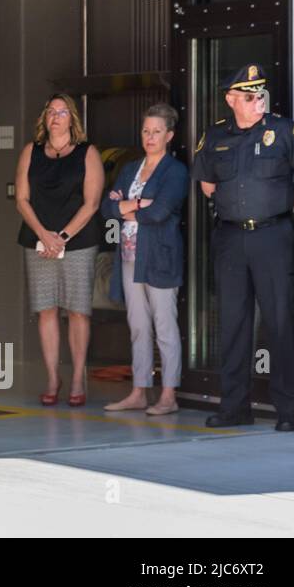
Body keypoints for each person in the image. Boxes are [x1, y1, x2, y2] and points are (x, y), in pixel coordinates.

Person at [191, 64, 294, 431]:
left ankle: (288, 410)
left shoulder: (283, 130)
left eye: (260, 94)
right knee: (233, 323)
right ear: (230, 100)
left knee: (280, 321)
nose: (257, 100)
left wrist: (280, 207)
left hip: (273, 236)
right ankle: (234, 407)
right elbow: (207, 185)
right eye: (248, 96)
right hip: (230, 238)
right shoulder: (214, 137)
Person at [99, 104, 188, 416]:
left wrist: (126, 207)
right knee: (137, 326)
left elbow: (161, 211)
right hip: (129, 257)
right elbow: (107, 208)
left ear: (170, 135)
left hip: (160, 256)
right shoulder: (129, 168)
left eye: (157, 132)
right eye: (146, 131)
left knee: (164, 325)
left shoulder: (175, 171)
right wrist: (136, 203)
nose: (150, 137)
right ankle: (138, 392)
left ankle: (168, 395)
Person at [15, 93, 103, 407]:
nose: (56, 116)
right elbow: (22, 199)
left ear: (72, 118)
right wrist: (44, 234)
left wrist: (61, 237)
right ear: (45, 117)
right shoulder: (31, 151)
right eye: (51, 111)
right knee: (46, 310)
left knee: (78, 310)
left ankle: (78, 376)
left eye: (62, 111)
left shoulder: (87, 152)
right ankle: (53, 377)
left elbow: (91, 203)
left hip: (77, 242)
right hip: (38, 241)